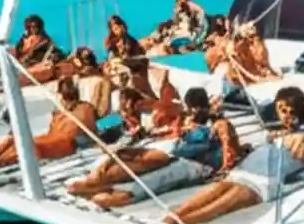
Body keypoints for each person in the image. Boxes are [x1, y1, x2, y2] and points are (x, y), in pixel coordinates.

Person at [164, 86, 304, 224]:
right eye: (282, 110)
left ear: (298, 112)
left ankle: (183, 222)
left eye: (290, 111)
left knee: (224, 203)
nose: (285, 115)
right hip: (248, 170)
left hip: (264, 182)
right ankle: (175, 215)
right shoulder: (278, 131)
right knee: (218, 188)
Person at [68, 87, 245, 209]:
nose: (190, 112)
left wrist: (223, 169)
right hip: (180, 155)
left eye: (192, 109)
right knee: (144, 165)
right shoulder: (191, 122)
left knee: (160, 178)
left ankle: (125, 194)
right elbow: (179, 134)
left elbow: (230, 149)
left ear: (198, 106)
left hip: (196, 164)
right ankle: (104, 184)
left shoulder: (218, 124)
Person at [0, 77, 97, 176]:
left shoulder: (85, 109)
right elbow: (51, 132)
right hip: (52, 139)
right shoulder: (59, 113)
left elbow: (88, 135)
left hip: (67, 144)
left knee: (29, 146)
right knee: (13, 140)